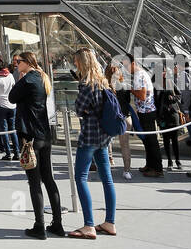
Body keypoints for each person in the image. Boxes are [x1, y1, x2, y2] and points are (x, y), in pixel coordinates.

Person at [9, 52, 64, 239]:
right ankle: (57, 223)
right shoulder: (42, 78)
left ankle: (39, 225)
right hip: (44, 134)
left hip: (30, 136)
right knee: (48, 178)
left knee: (34, 182)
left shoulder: (29, 80)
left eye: (18, 62)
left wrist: (20, 78)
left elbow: (11, 97)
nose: (16, 65)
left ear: (27, 63)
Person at [69, 48, 117, 239]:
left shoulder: (86, 84)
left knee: (80, 177)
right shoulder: (103, 82)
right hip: (104, 136)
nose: (75, 65)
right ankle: (110, 222)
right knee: (107, 178)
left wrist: (86, 112)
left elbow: (79, 109)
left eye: (76, 62)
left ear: (82, 62)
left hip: (89, 136)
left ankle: (88, 225)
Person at [129, 54, 164, 177]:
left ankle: (157, 168)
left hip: (146, 112)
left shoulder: (139, 75)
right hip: (146, 111)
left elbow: (142, 96)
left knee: (151, 141)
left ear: (133, 63)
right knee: (147, 141)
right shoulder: (141, 74)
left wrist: (130, 89)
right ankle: (150, 165)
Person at [0, 58, 17, 160]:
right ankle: (17, 152)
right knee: (13, 130)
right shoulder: (10, 75)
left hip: (1, 105)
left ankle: (8, 153)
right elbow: (14, 88)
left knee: (4, 130)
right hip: (12, 105)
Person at [156, 85, 184, 171]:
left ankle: (178, 161)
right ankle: (169, 161)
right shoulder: (156, 85)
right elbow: (156, 101)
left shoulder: (171, 83)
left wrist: (173, 98)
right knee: (166, 140)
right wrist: (158, 117)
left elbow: (180, 95)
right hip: (163, 116)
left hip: (173, 115)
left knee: (175, 140)